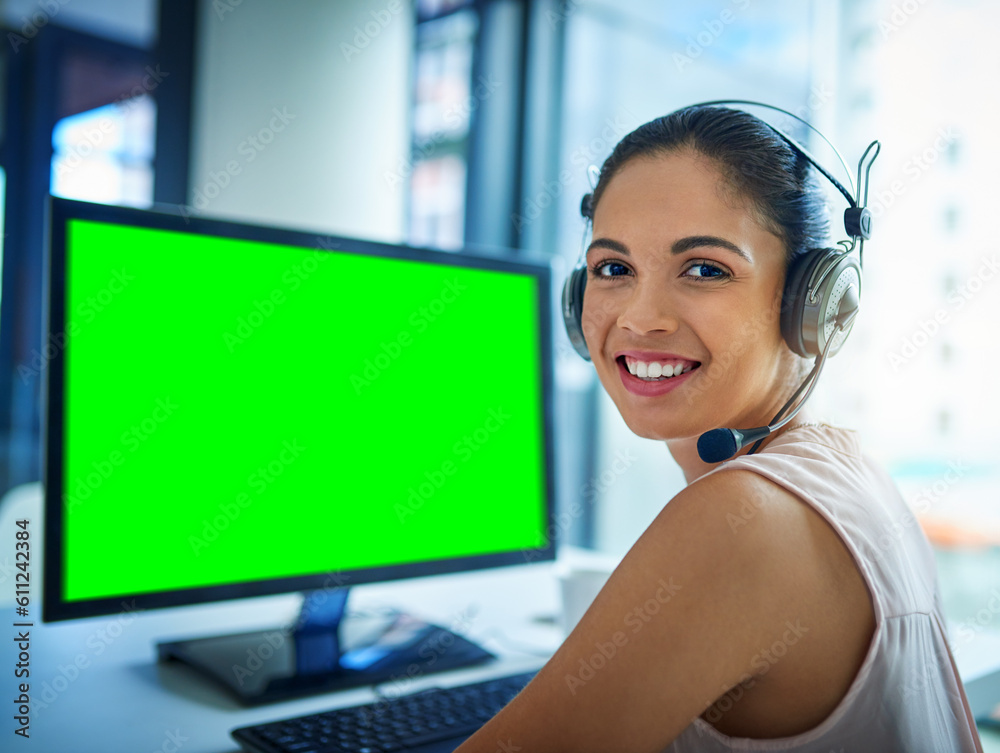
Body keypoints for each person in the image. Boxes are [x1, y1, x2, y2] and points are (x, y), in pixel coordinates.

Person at [453, 105, 984, 752]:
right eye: (613, 269)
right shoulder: (846, 468)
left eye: (705, 269)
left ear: (814, 302)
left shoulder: (744, 519)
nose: (641, 319)